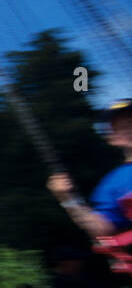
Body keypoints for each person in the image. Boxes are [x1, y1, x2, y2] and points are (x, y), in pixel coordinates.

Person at [48, 98, 132, 240]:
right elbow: (102, 229)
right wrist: (67, 198)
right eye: (122, 128)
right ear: (112, 138)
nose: (130, 130)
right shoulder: (113, 183)